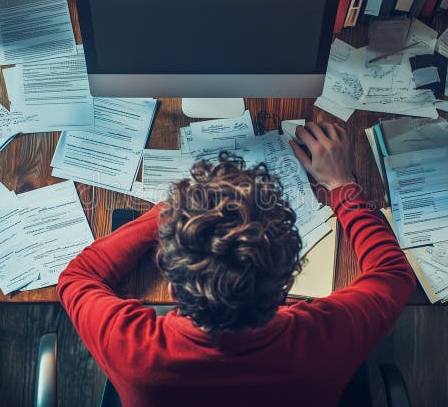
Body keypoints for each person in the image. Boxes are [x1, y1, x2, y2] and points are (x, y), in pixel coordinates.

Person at [58, 121, 416, 407]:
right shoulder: (323, 343)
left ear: (171, 290)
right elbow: (392, 274)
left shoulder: (133, 351)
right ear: (287, 289)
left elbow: (76, 277)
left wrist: (173, 214)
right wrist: (341, 184)